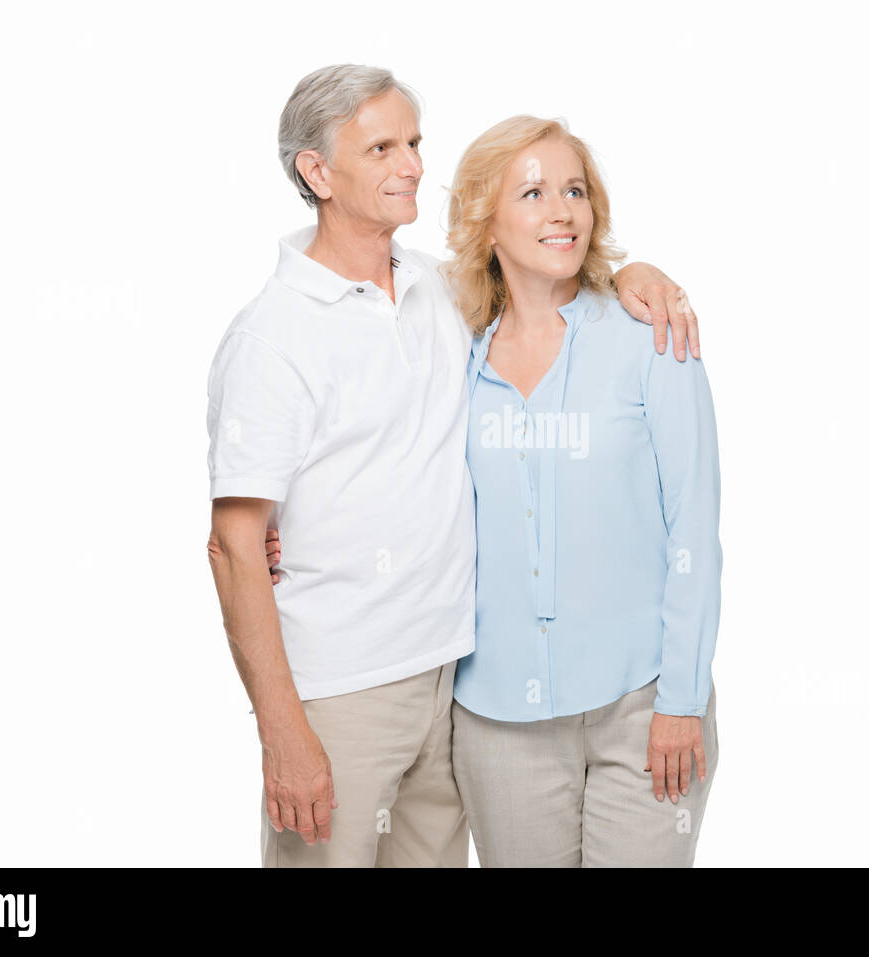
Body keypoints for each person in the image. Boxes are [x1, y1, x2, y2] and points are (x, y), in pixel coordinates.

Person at [205, 63, 697, 867]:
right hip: (340, 692)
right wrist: (282, 729)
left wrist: (632, 273)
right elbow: (233, 546)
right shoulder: (273, 338)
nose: (413, 166)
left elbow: (543, 277)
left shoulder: (439, 293)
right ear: (317, 172)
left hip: (451, 684)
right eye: (383, 148)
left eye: (415, 142)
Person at [443, 115, 721, 867]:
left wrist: (682, 700)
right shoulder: (450, 354)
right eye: (532, 193)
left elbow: (694, 528)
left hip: (644, 709)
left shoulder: (651, 339)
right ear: (485, 220)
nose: (561, 210)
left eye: (575, 190)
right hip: (497, 719)